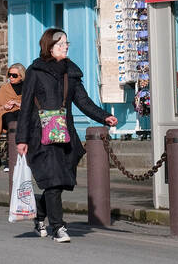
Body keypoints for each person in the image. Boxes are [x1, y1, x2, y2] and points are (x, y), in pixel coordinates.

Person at [16, 29, 117, 243]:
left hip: (65, 135)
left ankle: (40, 213)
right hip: (40, 135)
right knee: (53, 182)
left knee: (60, 182)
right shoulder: (35, 71)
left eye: (66, 43)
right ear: (49, 47)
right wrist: (21, 139)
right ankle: (58, 227)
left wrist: (105, 116)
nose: (65, 46)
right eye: (60, 43)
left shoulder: (71, 72)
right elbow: (25, 107)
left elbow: (83, 101)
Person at [0, 65, 25, 171]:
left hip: (22, 116)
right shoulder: (4, 89)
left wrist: (18, 103)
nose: (11, 77)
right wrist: (4, 107)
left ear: (21, 76)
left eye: (14, 75)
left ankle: (21, 158)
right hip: (6, 116)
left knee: (20, 116)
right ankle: (10, 160)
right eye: (9, 75)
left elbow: (33, 106)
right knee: (11, 116)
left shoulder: (28, 88)